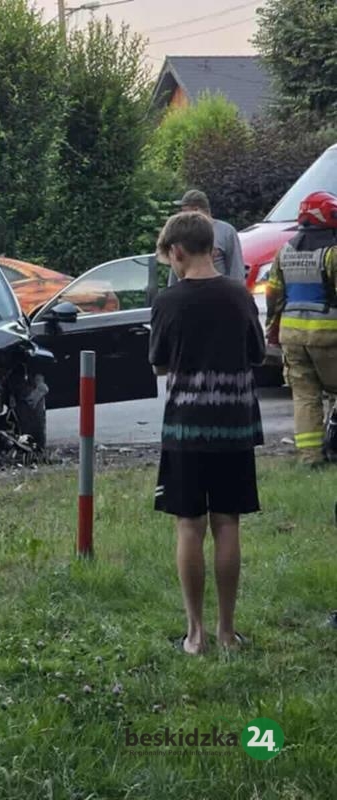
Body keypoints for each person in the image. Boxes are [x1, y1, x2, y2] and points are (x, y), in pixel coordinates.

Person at [150, 211, 265, 655]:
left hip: (186, 428)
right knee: (227, 522)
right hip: (234, 426)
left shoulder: (168, 302)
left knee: (189, 525)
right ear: (213, 248)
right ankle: (227, 632)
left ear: (177, 251)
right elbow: (256, 354)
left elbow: (159, 364)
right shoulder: (239, 295)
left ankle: (195, 635)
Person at [265, 190, 337, 466]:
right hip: (328, 335)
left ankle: (310, 458)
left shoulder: (284, 251)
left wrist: (272, 329)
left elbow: (273, 295)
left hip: (292, 337)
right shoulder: (333, 253)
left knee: (305, 396)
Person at [167, 190, 245, 285]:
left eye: (184, 211)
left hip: (217, 290)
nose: (181, 215)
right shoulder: (180, 232)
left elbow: (236, 269)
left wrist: (236, 291)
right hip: (186, 291)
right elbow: (174, 270)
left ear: (196, 210)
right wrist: (171, 291)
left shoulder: (226, 231)